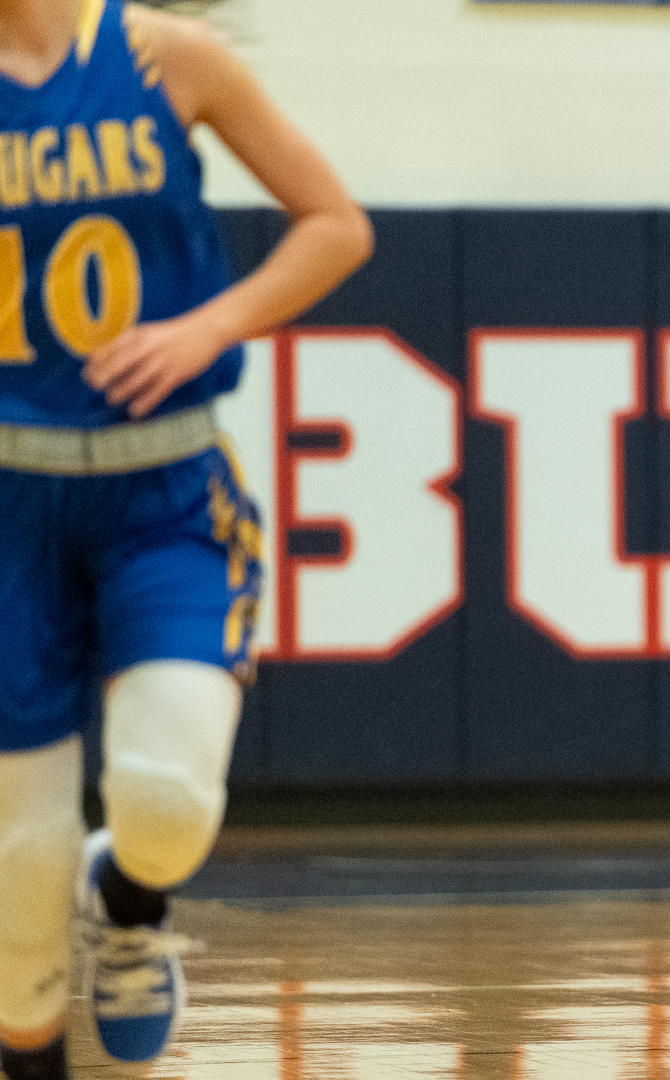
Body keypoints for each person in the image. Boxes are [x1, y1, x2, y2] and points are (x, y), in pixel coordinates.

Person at [0, 0, 370, 1076]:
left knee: (166, 805)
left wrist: (209, 323)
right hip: (12, 501)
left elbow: (335, 222)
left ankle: (130, 898)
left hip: (163, 491)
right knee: (22, 876)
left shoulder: (169, 55)